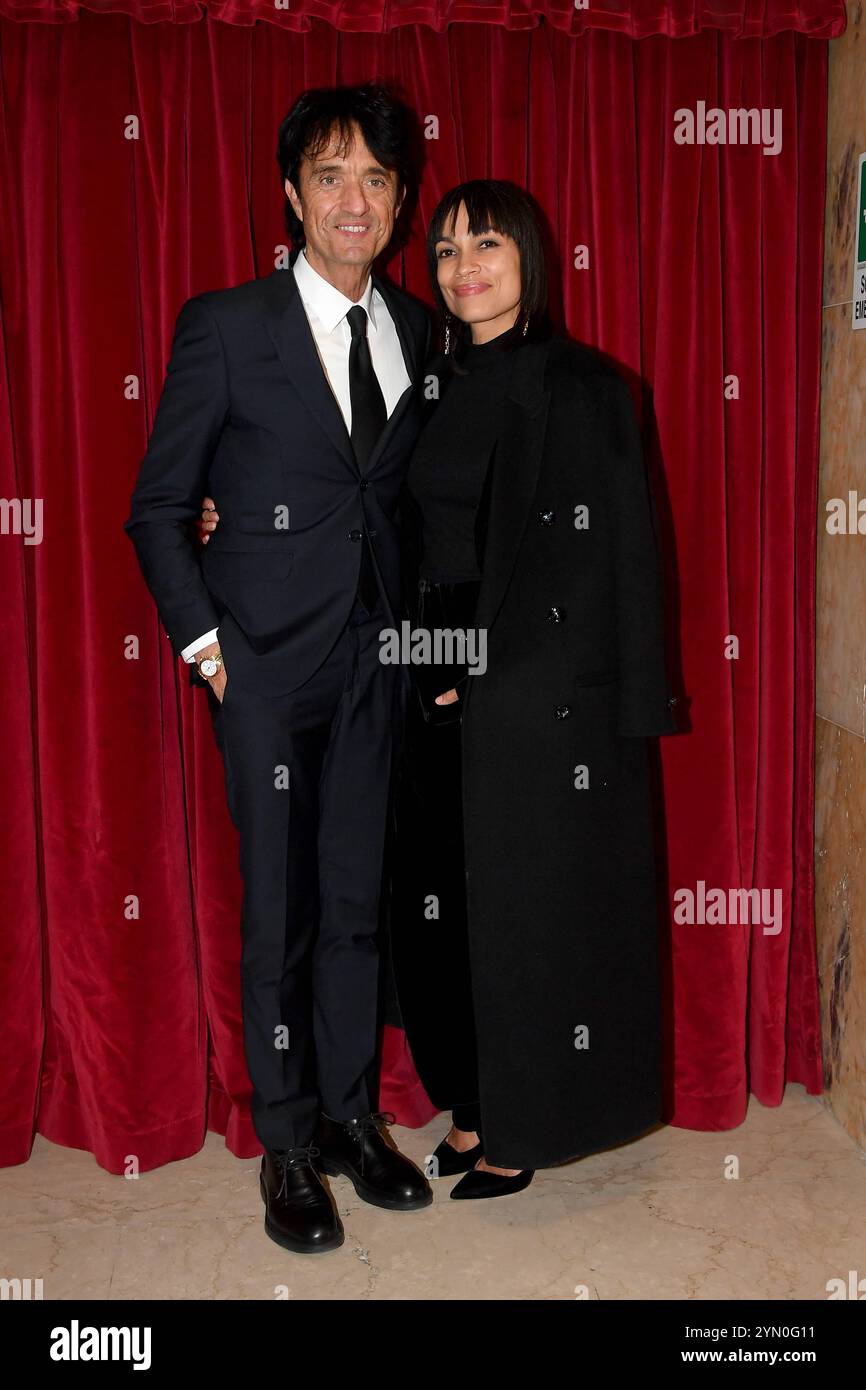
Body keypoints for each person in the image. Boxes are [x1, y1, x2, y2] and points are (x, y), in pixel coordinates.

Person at [203, 178, 679, 1203]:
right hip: (419, 687)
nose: (464, 268)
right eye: (449, 250)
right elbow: (376, 516)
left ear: (530, 260)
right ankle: (468, 1106)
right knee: (438, 919)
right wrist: (232, 524)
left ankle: (520, 1127)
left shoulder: (587, 385)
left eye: (487, 246)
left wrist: (544, 682)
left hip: (535, 707)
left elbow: (612, 564)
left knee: (523, 920)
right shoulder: (430, 373)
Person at [126, 83, 434, 1256]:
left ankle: (355, 1116)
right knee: (284, 913)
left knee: (358, 904)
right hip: (262, 671)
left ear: (398, 200)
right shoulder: (225, 323)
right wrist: (212, 653)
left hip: (375, 668)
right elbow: (157, 508)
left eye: (374, 178)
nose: (351, 199)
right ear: (292, 194)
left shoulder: (416, 330)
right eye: (329, 176)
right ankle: (289, 1143)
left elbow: (403, 503)